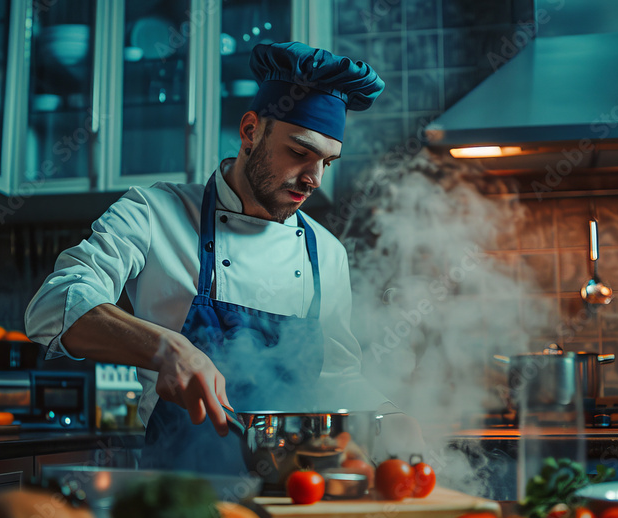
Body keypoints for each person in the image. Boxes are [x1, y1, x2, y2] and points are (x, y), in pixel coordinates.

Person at [26, 41, 411, 474]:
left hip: (293, 488)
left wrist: (389, 418)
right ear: (250, 131)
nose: (314, 179)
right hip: (180, 487)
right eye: (300, 153)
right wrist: (165, 348)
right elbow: (53, 306)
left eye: (328, 162)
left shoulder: (326, 251)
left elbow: (337, 377)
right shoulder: (154, 212)